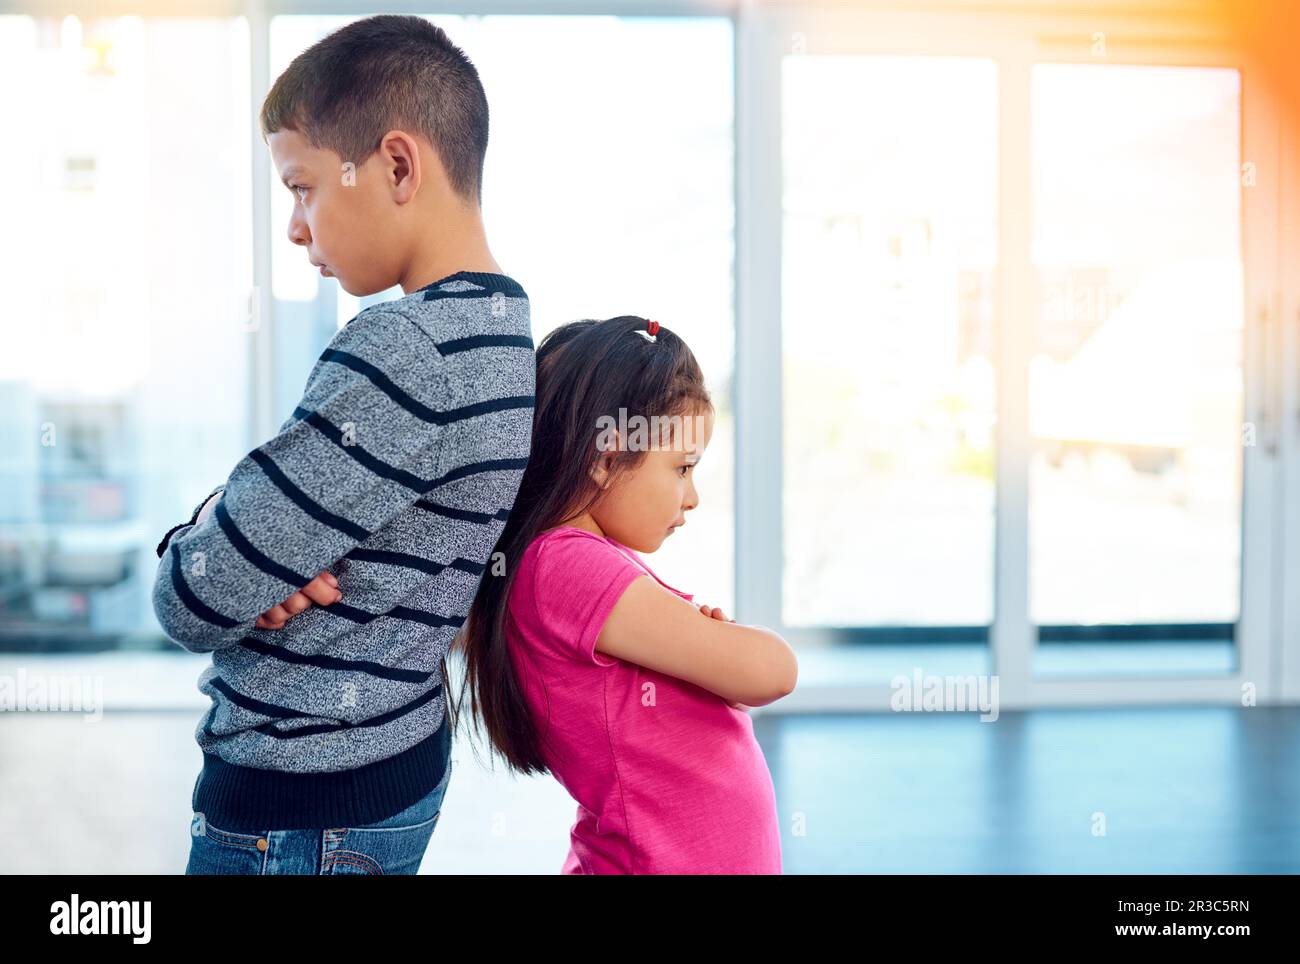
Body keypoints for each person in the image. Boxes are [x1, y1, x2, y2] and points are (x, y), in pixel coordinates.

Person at [152, 14, 534, 875]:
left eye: (303, 187)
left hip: (296, 813)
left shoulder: (405, 348)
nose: (296, 226)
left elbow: (190, 596)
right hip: (389, 766)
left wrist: (216, 531)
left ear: (395, 166)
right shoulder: (503, 330)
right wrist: (261, 553)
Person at [458, 316, 797, 874]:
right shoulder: (566, 566)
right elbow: (774, 672)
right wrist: (725, 644)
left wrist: (707, 652)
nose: (692, 497)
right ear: (607, 458)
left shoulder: (581, 562)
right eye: (682, 468)